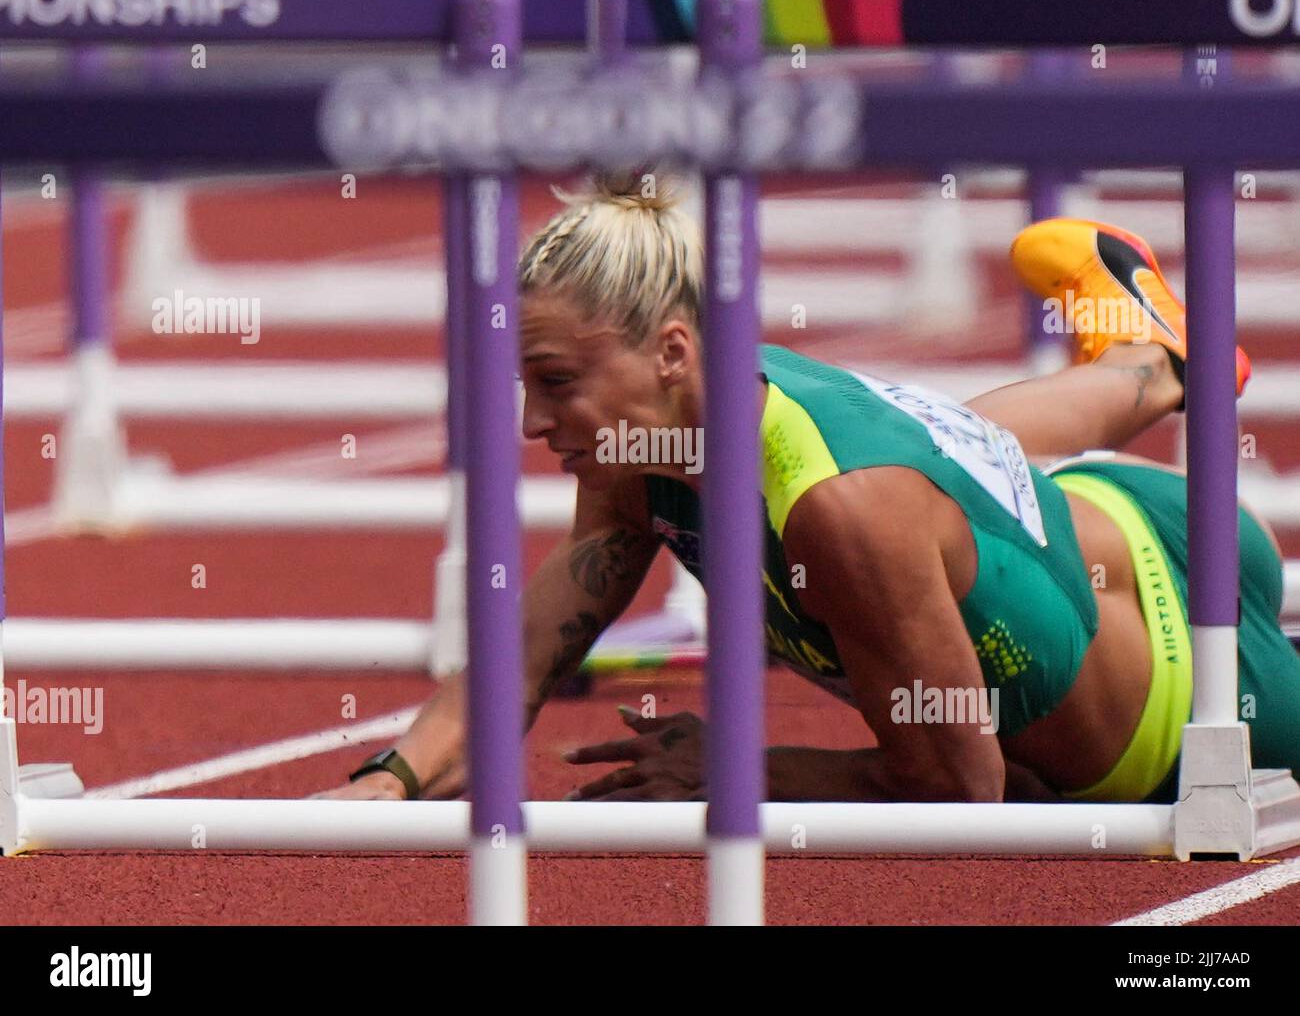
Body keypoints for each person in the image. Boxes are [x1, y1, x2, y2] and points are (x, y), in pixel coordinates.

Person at [317, 179, 1300, 804]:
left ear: (670, 351)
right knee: (929, 444)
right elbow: (525, 656)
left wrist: (740, 767)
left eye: (557, 383)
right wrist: (389, 780)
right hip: (1084, 512)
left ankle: (1149, 363)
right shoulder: (663, 431)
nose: (533, 424)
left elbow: (965, 784)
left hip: (1192, 673)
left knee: (886, 478)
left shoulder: (841, 510)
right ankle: (1151, 361)